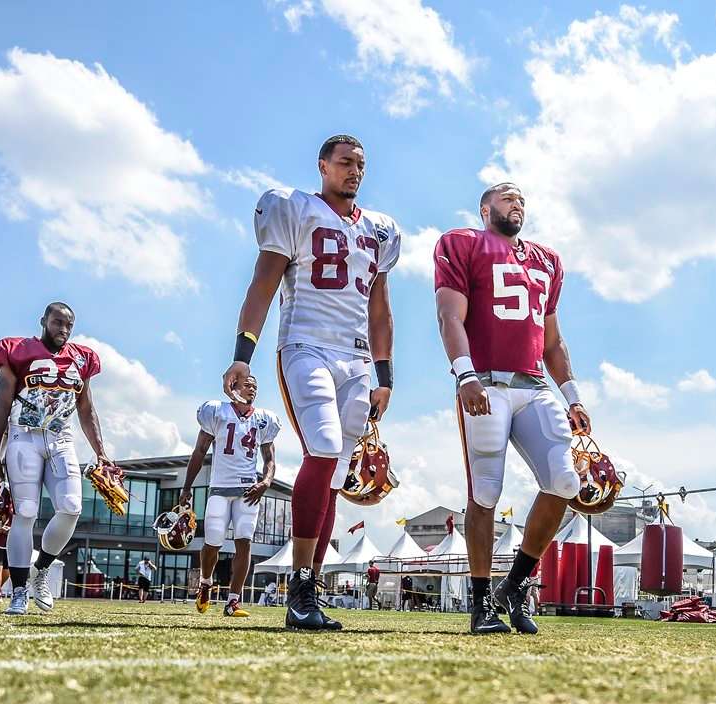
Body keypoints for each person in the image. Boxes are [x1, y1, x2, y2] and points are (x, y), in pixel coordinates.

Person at [223, 135, 400, 631]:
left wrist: (385, 373)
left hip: (358, 359)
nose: (354, 172)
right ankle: (300, 584)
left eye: (360, 165)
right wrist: (243, 356)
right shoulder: (295, 209)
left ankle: (310, 590)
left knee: (337, 475)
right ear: (322, 165)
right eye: (345, 163)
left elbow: (380, 308)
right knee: (321, 450)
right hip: (306, 345)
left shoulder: (380, 230)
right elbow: (263, 283)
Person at [433, 182, 591, 635]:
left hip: (535, 384)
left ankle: (515, 584)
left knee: (564, 480)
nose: (516, 202)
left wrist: (573, 396)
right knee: (485, 491)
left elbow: (553, 341)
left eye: (521, 197)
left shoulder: (547, 261)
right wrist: (464, 374)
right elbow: (450, 316)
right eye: (505, 196)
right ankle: (481, 602)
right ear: (485, 209)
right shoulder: (462, 242)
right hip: (485, 381)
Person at [0, 302, 110, 616]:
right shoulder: (16, 350)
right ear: (43, 321)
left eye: (68, 325)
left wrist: (101, 453)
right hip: (23, 436)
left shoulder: (82, 358)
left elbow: (86, 409)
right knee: (25, 512)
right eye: (57, 323)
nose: (63, 330)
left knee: (71, 507)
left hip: (61, 438)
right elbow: (1, 405)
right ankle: (19, 591)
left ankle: (41, 571)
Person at [180, 376, 281, 619]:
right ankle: (205, 583)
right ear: (232, 388)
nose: (252, 389)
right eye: (247, 385)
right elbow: (199, 451)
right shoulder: (216, 412)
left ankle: (233, 602)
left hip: (247, 490)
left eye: (255, 386)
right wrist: (186, 487)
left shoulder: (264, 419)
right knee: (213, 542)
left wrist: (266, 482)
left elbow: (269, 458)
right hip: (220, 487)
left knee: (244, 542)